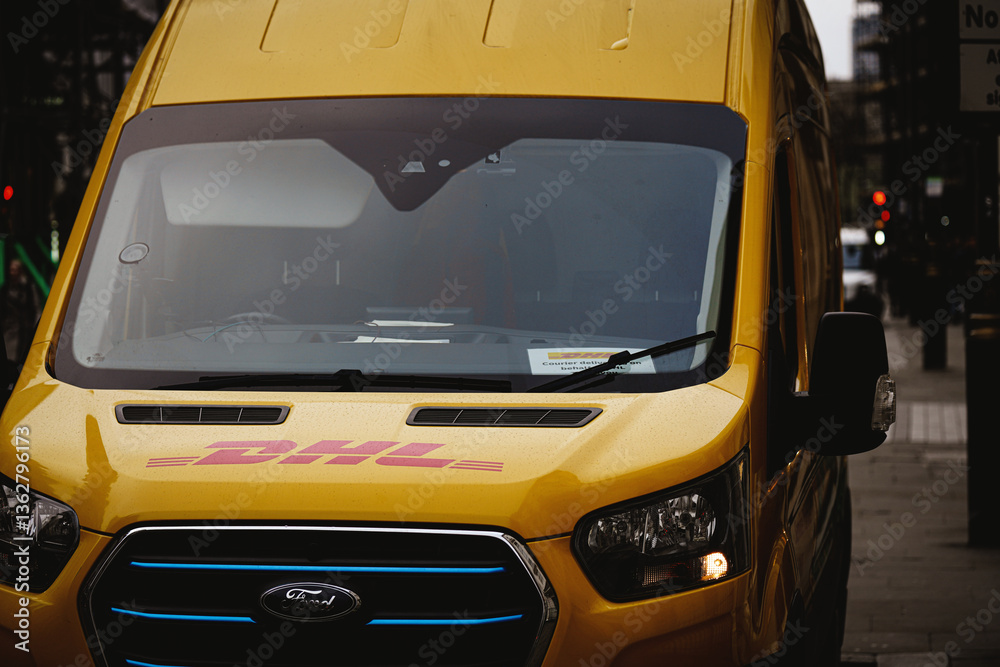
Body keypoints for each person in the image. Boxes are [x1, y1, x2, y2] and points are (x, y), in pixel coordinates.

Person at [2, 259, 43, 364]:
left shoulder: (28, 288)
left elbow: (36, 307)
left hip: (26, 330)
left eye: (15, 270)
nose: (13, 272)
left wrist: (36, 330)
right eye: (11, 270)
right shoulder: (5, 289)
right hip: (9, 331)